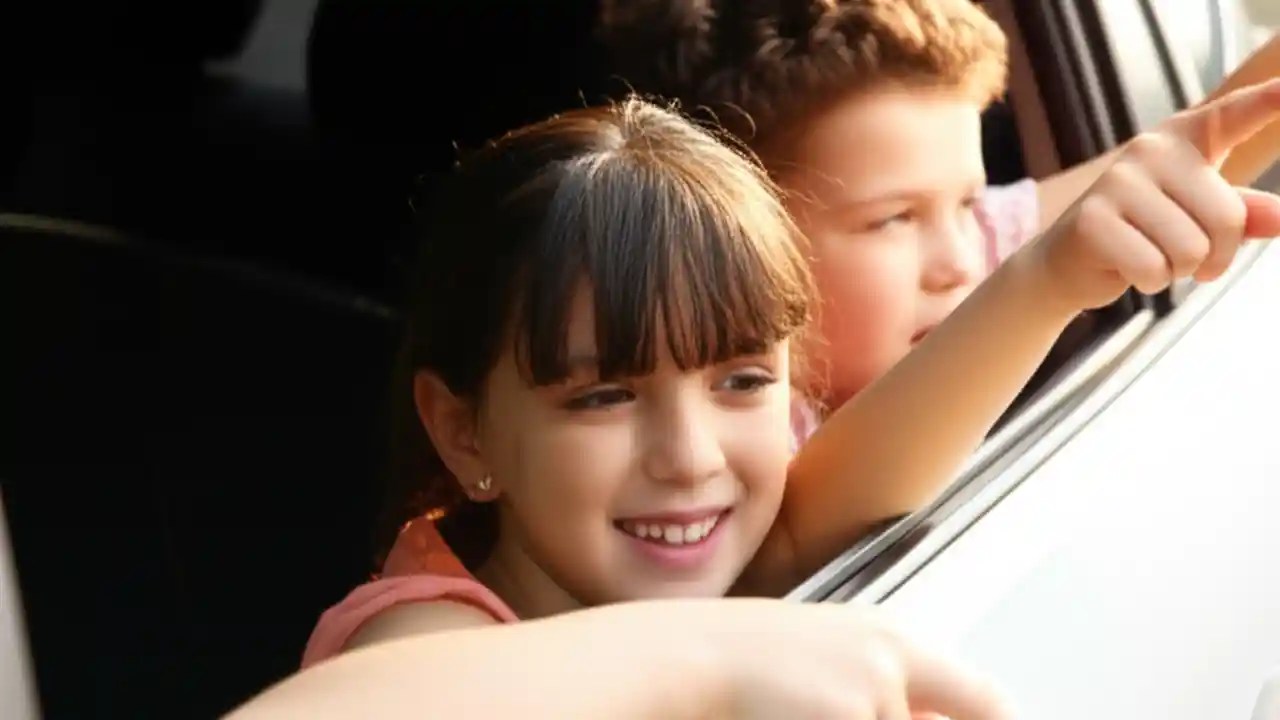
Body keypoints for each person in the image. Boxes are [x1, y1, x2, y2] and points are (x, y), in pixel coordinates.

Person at [235, 80, 1280, 717]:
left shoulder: (698, 543)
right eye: (603, 397)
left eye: (742, 381)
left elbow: (836, 495)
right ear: (464, 432)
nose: (690, 457)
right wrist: (716, 659)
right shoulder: (427, 627)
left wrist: (1050, 279)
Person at [596, 1, 1280, 413]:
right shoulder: (735, 456)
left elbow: (1180, 160)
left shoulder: (966, 244)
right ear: (732, 241)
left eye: (970, 203)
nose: (961, 262)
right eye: (894, 220)